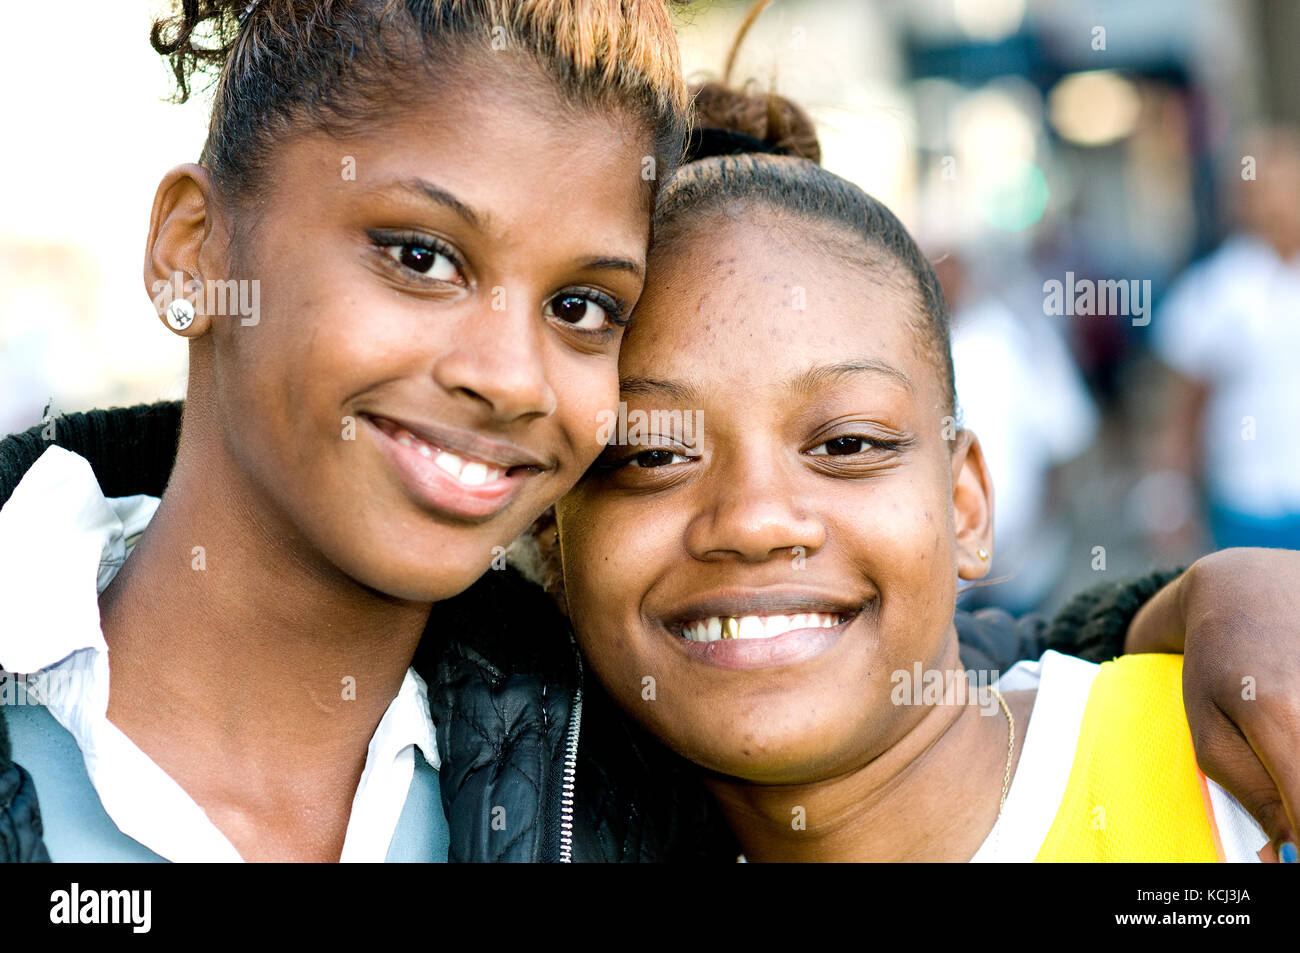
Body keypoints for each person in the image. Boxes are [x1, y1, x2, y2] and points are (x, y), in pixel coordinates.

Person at [2, 1, 1297, 864]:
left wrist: (1209, 601)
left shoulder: (599, 763)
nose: (509, 373)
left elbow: (907, 700)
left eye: (581, 305)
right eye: (418, 254)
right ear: (192, 250)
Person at [546, 81, 1299, 862]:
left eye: (847, 444)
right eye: (653, 456)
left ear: (965, 502)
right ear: (554, 528)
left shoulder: (1246, 771)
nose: (755, 518)